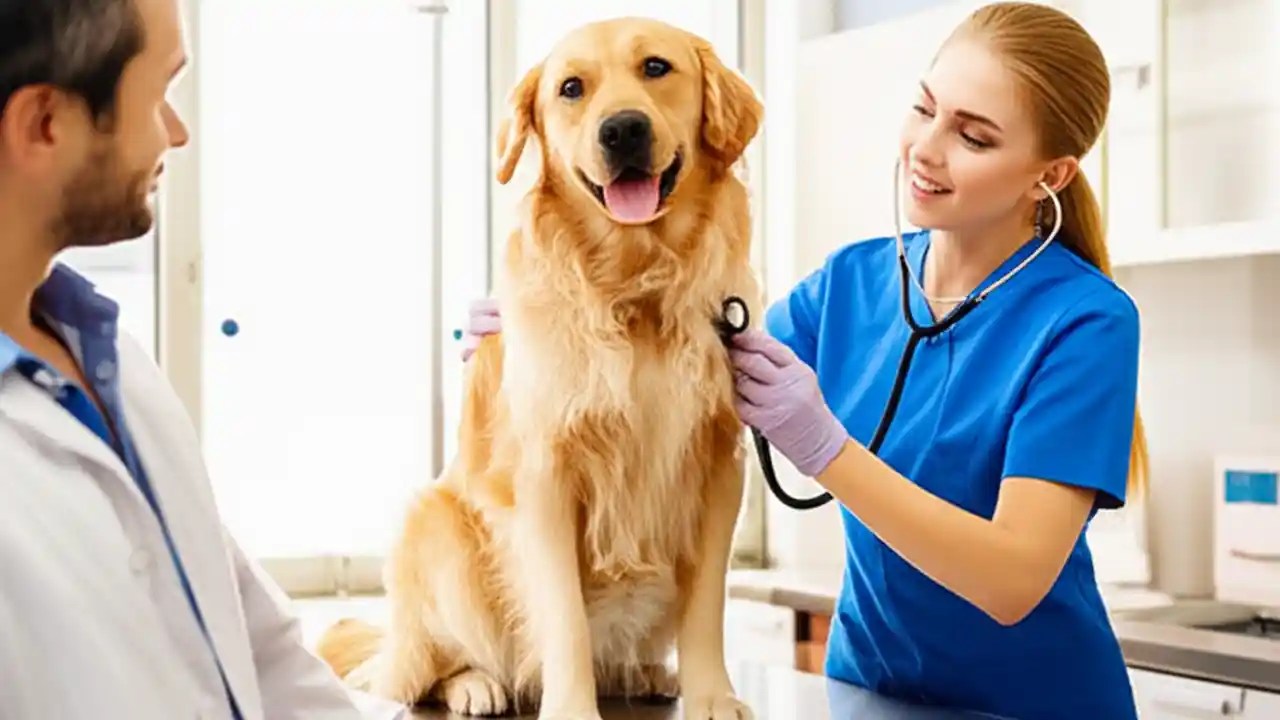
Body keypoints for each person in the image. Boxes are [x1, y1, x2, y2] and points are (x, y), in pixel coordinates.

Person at [464, 3, 1147, 718]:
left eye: (973, 137)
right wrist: (537, 331)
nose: (926, 148)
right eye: (924, 108)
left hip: (1036, 705)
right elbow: (677, 373)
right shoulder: (850, 284)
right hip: (870, 691)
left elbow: (1013, 580)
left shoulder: (1086, 322)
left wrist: (827, 451)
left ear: (1050, 175)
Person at [0, 1, 404, 718]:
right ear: (45, 125)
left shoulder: (108, 358)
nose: (176, 131)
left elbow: (256, 653)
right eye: (158, 95)